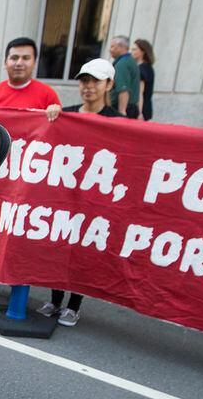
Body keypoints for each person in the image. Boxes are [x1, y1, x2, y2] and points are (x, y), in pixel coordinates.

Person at [39, 58, 124, 326]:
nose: (88, 87)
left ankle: (74, 306)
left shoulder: (119, 121)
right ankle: (55, 300)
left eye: (95, 81)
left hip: (96, 196)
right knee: (60, 246)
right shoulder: (68, 113)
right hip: (66, 193)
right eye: (84, 81)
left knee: (82, 251)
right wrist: (53, 113)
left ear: (109, 84)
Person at [0, 37, 62, 111]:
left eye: (26, 58)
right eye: (14, 58)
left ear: (35, 63)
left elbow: (57, 128)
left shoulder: (48, 95)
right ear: (5, 62)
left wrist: (56, 113)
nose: (19, 63)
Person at [106, 35, 139, 117]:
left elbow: (123, 89)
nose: (110, 50)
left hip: (122, 107)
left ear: (121, 47)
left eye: (113, 47)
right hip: (132, 107)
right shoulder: (131, 61)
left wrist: (122, 112)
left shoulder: (122, 64)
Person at [132, 38, 155, 120]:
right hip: (145, 109)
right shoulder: (147, 67)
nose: (132, 52)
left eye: (135, 49)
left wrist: (139, 113)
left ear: (143, 52)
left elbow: (140, 93)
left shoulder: (142, 69)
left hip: (139, 112)